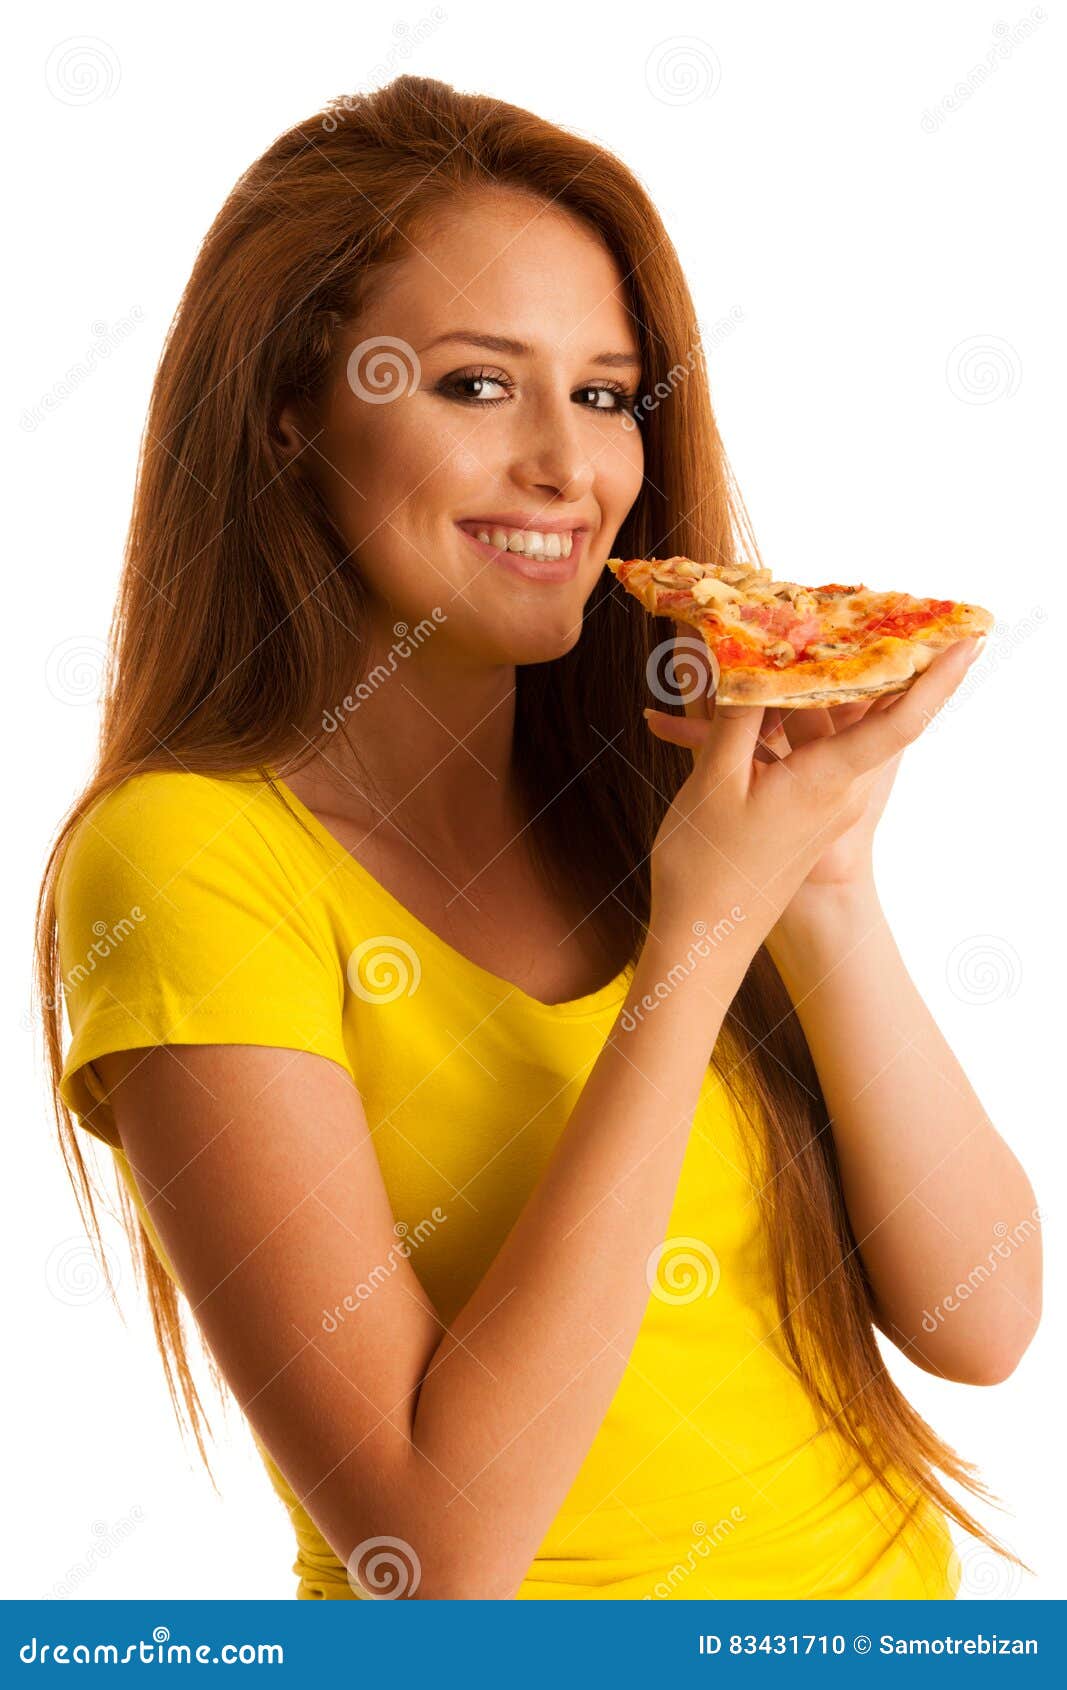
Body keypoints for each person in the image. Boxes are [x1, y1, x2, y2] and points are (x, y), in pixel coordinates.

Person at [37, 76, 1040, 1601]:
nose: (571, 470)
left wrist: (820, 890)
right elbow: (433, 1559)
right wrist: (700, 940)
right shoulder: (183, 863)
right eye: (474, 385)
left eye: (606, 393)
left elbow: (986, 1317)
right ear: (291, 410)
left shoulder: (654, 795)